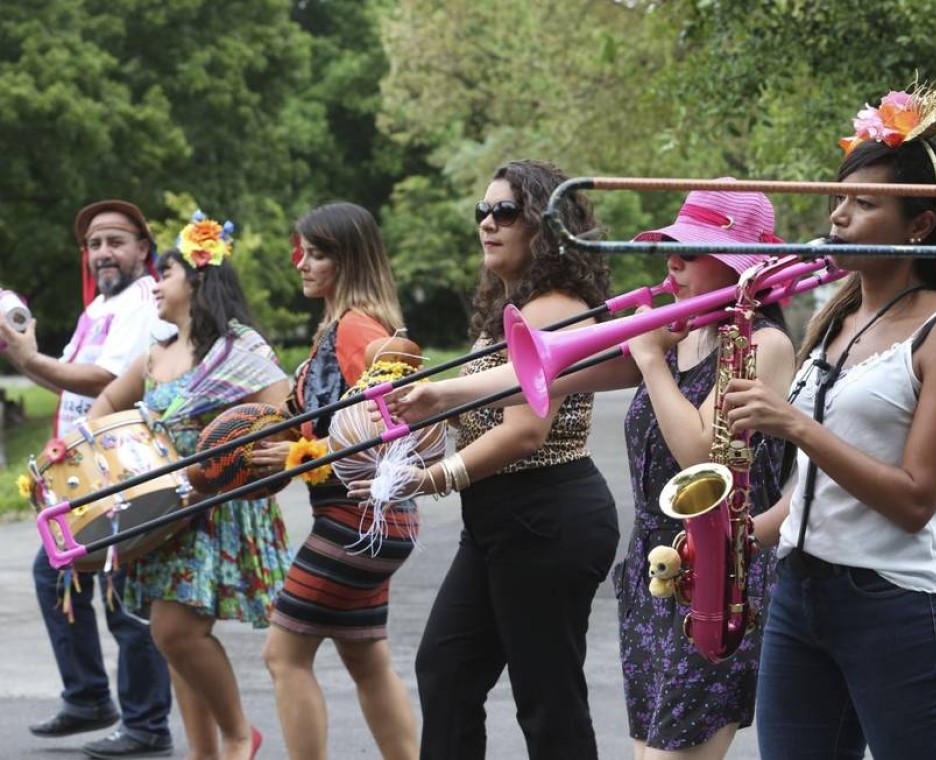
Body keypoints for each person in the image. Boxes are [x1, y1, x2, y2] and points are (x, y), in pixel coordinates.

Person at [387, 185, 798, 759]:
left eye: (693, 252)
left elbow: (703, 457)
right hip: (658, 572)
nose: (671, 263)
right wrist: (437, 394)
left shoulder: (762, 343)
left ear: (738, 266)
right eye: (670, 250)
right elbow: (551, 375)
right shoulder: (683, 335)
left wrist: (650, 358)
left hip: (719, 579)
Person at [719, 83, 936, 758]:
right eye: (838, 199)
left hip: (904, 606)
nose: (837, 217)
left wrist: (795, 424)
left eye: (863, 203)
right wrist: (739, 538)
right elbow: (816, 484)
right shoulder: (834, 319)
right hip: (801, 594)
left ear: (920, 225)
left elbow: (913, 500)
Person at [353, 159, 621, 759]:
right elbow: (478, 407)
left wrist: (433, 477)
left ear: (546, 227)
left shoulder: (552, 306)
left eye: (506, 212)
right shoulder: (509, 306)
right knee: (446, 669)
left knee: (547, 700)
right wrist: (415, 411)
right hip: (499, 519)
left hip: (548, 516)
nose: (488, 223)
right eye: (483, 211)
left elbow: (524, 431)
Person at [88, 212, 290, 760]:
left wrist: (246, 455)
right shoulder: (157, 352)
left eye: (167, 272)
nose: (155, 283)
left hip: (214, 507)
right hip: (160, 511)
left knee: (176, 632)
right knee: (171, 639)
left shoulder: (237, 349)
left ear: (198, 279)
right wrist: (103, 451)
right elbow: (107, 405)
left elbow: (285, 413)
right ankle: (204, 752)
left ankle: (237, 735)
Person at [0, 200, 174, 759]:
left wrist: (26, 358)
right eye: (94, 244)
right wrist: (32, 360)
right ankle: (89, 698)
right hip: (85, 473)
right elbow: (70, 382)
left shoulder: (144, 300)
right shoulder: (99, 306)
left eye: (115, 241)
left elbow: (105, 378)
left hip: (124, 465)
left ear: (143, 249)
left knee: (123, 596)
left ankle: (147, 725)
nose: (102, 252)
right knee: (58, 574)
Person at [251, 202, 420, 760]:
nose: (302, 264)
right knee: (365, 658)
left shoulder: (357, 328)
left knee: (284, 655)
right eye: (302, 251)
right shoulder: (337, 326)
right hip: (370, 519)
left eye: (317, 254)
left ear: (348, 262)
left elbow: (392, 416)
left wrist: (307, 451)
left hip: (357, 518)